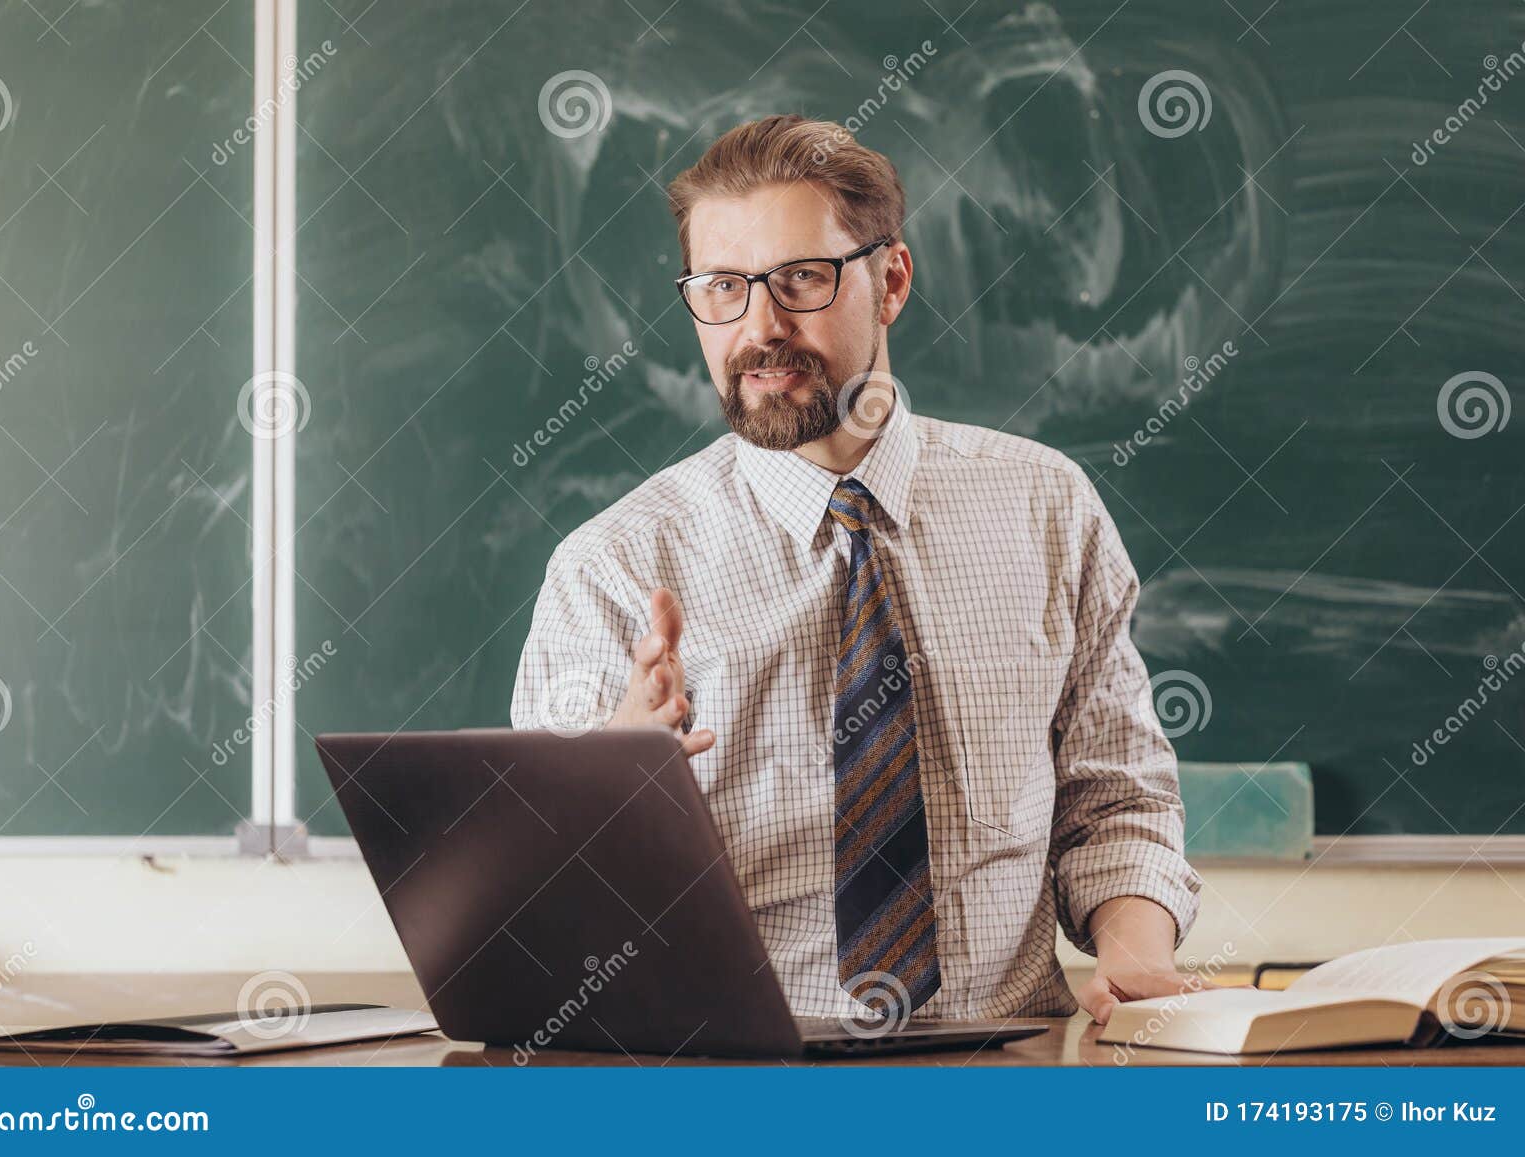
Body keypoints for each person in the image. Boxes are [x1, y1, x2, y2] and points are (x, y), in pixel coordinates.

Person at [511, 114, 1206, 1025]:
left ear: (892, 281)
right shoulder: (611, 567)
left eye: (801, 278)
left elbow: (1113, 799)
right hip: (737, 1085)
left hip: (1007, 1074)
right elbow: (535, 907)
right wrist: (605, 789)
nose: (759, 328)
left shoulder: (1048, 509)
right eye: (722, 287)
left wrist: (1132, 954)